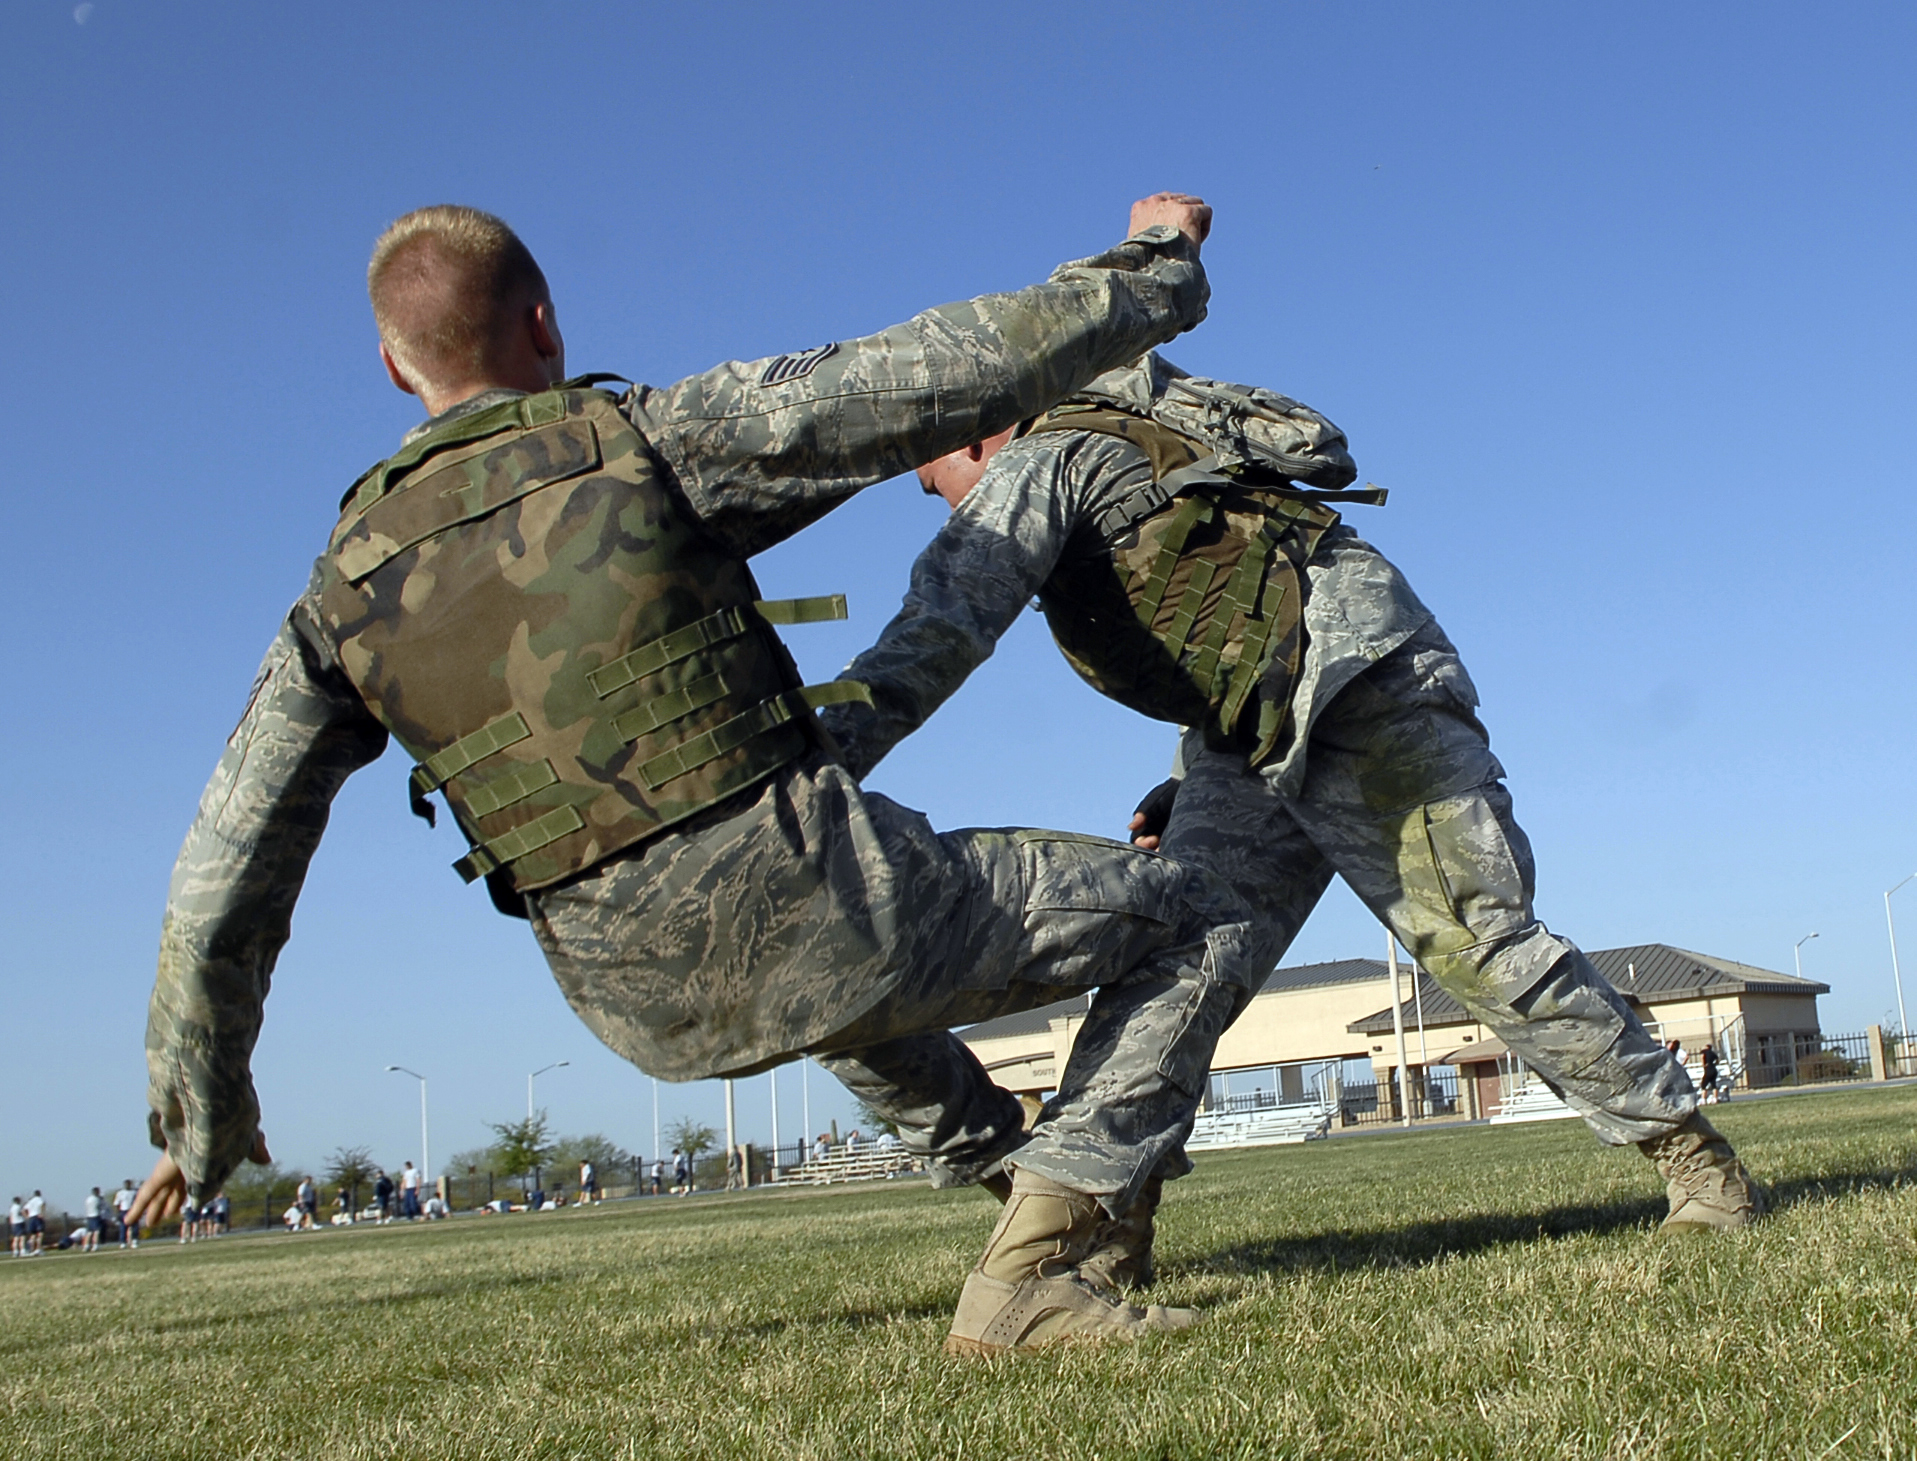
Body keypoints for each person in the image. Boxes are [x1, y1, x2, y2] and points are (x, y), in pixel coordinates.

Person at [128, 193, 1255, 1354]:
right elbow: (954, 368)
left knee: (827, 968)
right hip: (831, 911)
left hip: (640, 1006)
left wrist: (203, 1121)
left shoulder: (332, 609)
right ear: (547, 327)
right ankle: (1039, 1269)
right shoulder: (646, 444)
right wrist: (1160, 258)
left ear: (391, 367)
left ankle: (1019, 1188)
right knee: (1202, 916)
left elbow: (218, 894)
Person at [820, 346, 1764, 1286]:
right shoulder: (1101, 460)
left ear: (979, 436)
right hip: (1251, 738)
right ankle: (1101, 1231)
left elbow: (940, 625)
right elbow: (1227, 627)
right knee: (1185, 959)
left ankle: (1694, 1162)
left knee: (1476, 944)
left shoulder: (1047, 461)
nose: (928, 487)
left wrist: (815, 778)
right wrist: (1189, 776)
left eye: (929, 469)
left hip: (1367, 692)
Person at [112, 1179, 139, 1248]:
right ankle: (123, 1242)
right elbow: (116, 1203)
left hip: (132, 1210)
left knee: (134, 1226)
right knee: (123, 1227)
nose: (127, 1185)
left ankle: (134, 1241)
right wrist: (118, 1212)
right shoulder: (120, 1193)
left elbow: (138, 1201)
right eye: (126, 1184)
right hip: (123, 1211)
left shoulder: (134, 1192)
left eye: (129, 1184)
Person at [82, 1187, 104, 1252]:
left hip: (89, 1216)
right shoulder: (97, 1199)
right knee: (97, 1232)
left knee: (89, 1232)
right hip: (96, 1216)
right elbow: (101, 1207)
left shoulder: (88, 1199)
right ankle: (95, 1245)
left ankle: (86, 1246)